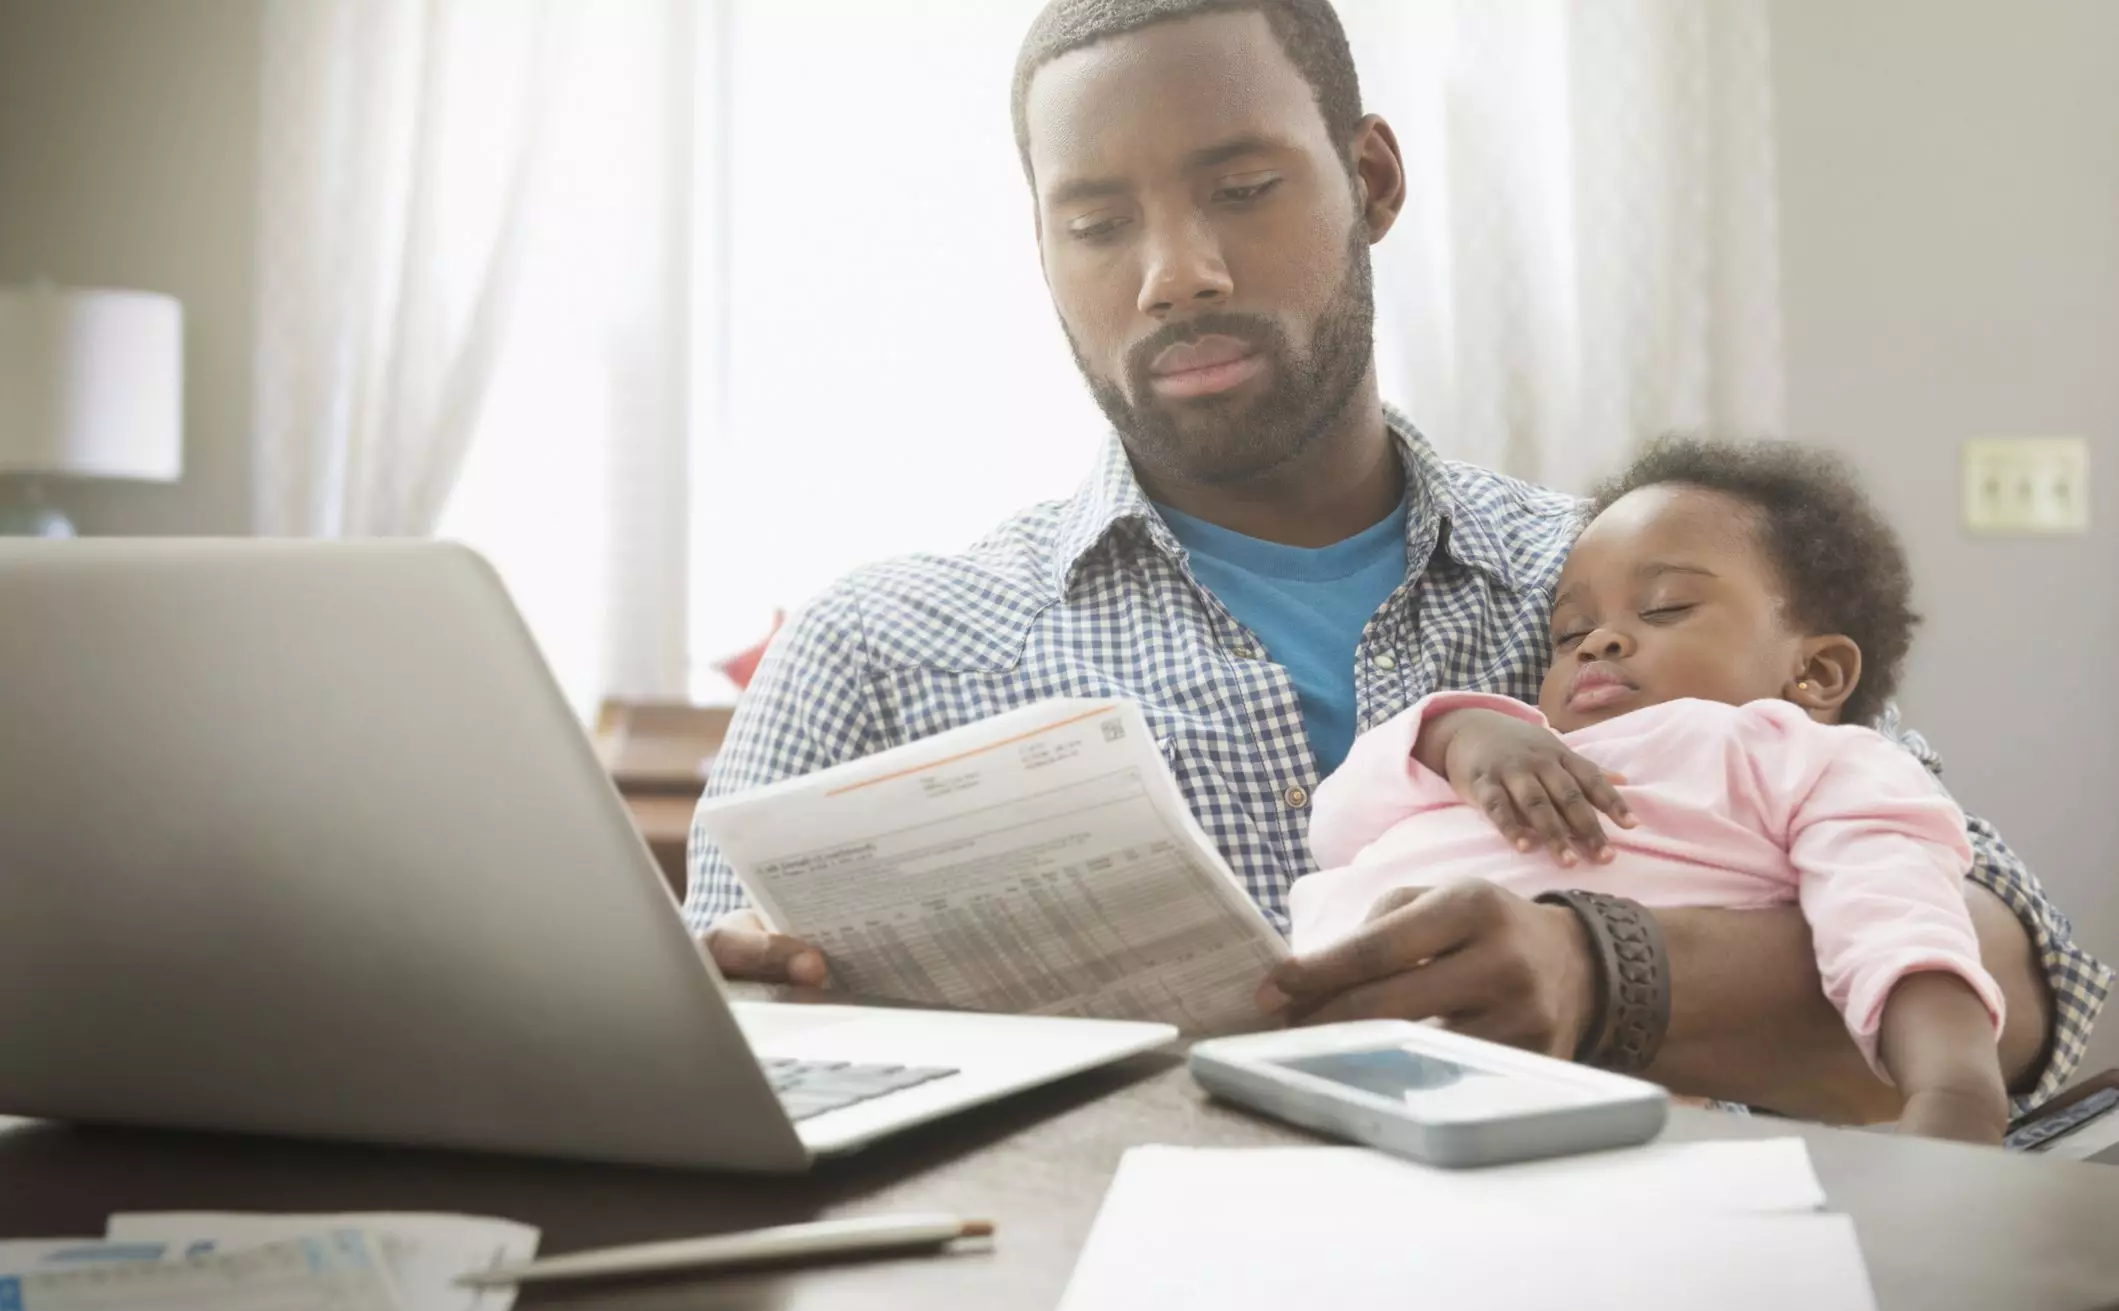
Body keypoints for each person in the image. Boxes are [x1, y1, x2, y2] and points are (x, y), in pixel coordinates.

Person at [686, 0, 2107, 1120]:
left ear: (1368, 179)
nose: (1174, 271)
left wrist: (1603, 969)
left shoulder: (1636, 590)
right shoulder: (874, 648)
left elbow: (2034, 984)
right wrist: (711, 1022)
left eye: (1241, 187)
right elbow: (701, 1063)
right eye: (1095, 221)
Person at [1288, 439, 2010, 1143]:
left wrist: (1955, 1092)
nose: (1598, 642)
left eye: (1662, 608)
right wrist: (1457, 734)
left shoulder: (1810, 760)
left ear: (1815, 673)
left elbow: (1897, 920)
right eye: (1569, 633)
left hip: (1545, 1104)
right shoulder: (1522, 745)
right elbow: (1336, 830)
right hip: (1296, 1060)